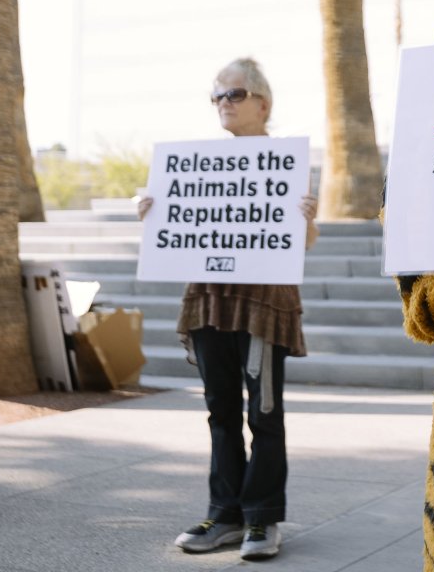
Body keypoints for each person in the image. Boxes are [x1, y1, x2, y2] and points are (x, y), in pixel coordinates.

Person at [136, 58, 318, 562]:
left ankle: (262, 519)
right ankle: (226, 514)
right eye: (217, 97)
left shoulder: (287, 162)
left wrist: (306, 221)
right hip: (210, 302)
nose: (224, 104)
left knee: (264, 414)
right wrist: (153, 213)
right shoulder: (196, 166)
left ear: (263, 103)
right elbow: (177, 231)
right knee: (219, 410)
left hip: (263, 306)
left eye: (233, 95)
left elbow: (303, 243)